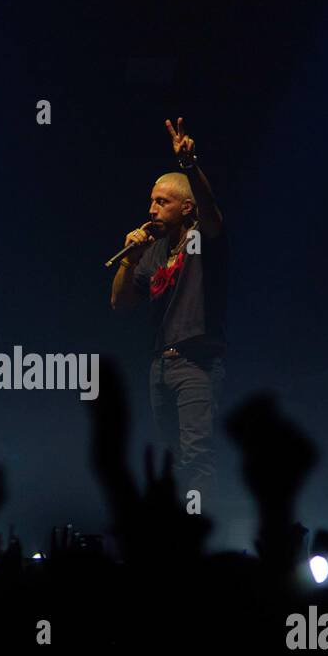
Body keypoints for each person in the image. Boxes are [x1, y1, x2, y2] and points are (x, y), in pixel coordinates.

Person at [110, 118, 229, 501]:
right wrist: (131, 258)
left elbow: (211, 214)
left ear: (186, 206)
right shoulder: (156, 250)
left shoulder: (201, 239)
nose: (152, 209)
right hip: (160, 364)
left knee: (197, 456)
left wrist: (189, 167)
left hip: (196, 362)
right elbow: (120, 303)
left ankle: (201, 536)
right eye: (151, 201)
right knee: (172, 460)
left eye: (162, 201)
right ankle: (175, 534)